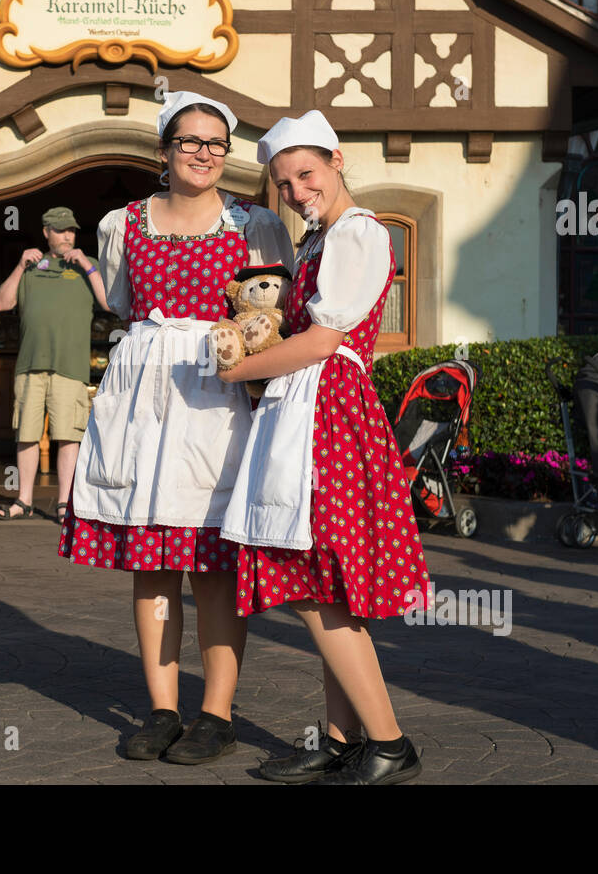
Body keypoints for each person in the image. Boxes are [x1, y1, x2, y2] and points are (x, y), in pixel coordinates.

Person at [59, 91, 295, 764]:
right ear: (164, 151)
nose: (203, 154)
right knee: (152, 569)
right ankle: (163, 708)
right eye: (189, 141)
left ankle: (217, 712)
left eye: (216, 143)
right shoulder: (122, 222)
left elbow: (271, 312)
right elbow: (127, 303)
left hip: (218, 400)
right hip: (145, 398)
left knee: (214, 567)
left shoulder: (253, 225)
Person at [215, 110, 432, 785]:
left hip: (330, 413)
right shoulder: (318, 242)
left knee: (318, 587)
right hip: (308, 410)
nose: (296, 189)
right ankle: (342, 739)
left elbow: (321, 341)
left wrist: (236, 371)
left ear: (336, 160)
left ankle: (391, 742)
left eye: (305, 173)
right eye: (282, 182)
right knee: (321, 584)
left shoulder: (358, 233)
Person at [0, 207, 109, 520]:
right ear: (46, 232)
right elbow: (2, 303)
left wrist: (86, 264)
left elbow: (110, 302)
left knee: (68, 436)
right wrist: (19, 266)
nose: (67, 235)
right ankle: (24, 500)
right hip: (30, 365)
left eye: (71, 229)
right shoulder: (30, 267)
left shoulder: (89, 267)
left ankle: (64, 503)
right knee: (26, 434)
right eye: (60, 230)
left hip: (69, 366)